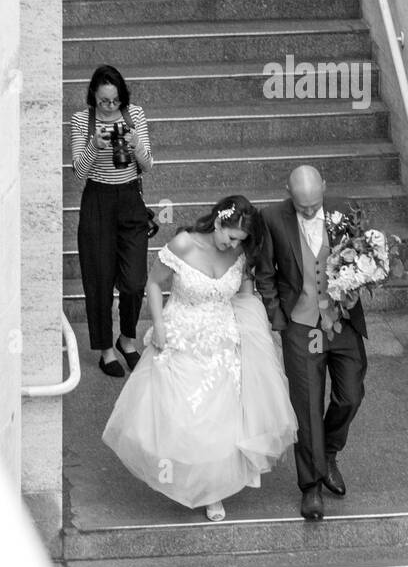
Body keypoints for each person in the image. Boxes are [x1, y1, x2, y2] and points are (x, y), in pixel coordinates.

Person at [102, 196, 297, 522]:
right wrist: (158, 325)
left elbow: (245, 294)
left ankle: (212, 490)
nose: (233, 244)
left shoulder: (239, 253)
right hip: (180, 334)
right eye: (231, 236)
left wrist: (252, 333)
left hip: (221, 340)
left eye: (240, 241)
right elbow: (152, 283)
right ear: (218, 221)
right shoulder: (183, 244)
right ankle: (180, 474)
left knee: (219, 419)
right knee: (183, 416)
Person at [255, 166, 368, 522]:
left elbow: (362, 255)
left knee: (351, 394)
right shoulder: (271, 217)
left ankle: (330, 450)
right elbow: (265, 272)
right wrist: (277, 318)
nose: (308, 212)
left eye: (314, 205)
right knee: (306, 407)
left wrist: (356, 288)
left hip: (342, 322)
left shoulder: (344, 209)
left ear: (325, 187)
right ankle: (312, 486)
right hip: (301, 325)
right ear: (289, 193)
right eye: (301, 206)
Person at [71, 65, 153, 377]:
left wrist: (136, 147)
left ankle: (127, 339)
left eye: (115, 100)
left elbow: (149, 165)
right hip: (97, 201)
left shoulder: (135, 115)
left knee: (134, 281)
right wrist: (94, 146)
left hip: (130, 199)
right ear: (93, 96)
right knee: (99, 280)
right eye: (104, 101)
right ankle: (106, 349)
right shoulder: (82, 120)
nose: (110, 107)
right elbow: (79, 172)